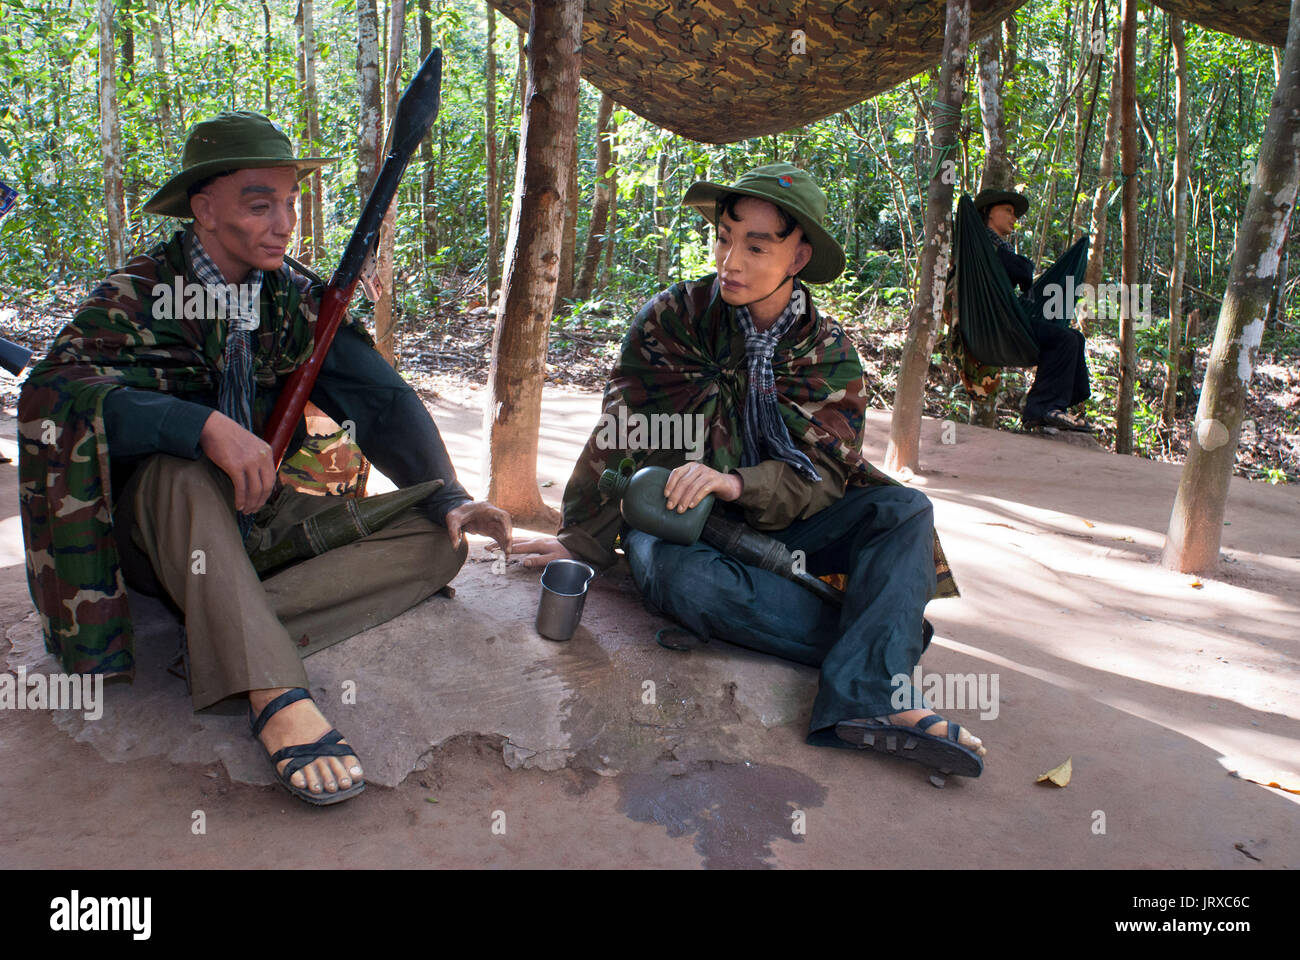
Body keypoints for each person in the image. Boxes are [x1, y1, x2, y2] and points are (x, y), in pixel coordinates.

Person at [18, 112, 511, 806]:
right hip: (161, 533)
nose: (284, 223)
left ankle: (226, 626)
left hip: (258, 517)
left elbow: (380, 398)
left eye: (289, 203)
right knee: (180, 470)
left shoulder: (289, 297)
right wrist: (198, 425)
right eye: (260, 205)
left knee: (440, 543)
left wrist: (449, 495)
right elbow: (51, 397)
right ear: (205, 208)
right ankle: (273, 691)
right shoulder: (139, 294)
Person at [516, 163, 986, 778]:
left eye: (756, 246)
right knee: (677, 580)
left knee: (904, 512)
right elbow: (623, 429)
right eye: (724, 238)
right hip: (687, 527)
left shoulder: (831, 355)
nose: (730, 260)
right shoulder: (673, 319)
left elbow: (821, 478)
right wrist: (579, 539)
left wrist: (736, 481)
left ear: (798, 257)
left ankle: (870, 689)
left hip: (789, 525)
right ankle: (878, 653)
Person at [974, 188, 1093, 432]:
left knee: (1075, 338)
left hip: (1011, 320)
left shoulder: (999, 248)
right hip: (997, 325)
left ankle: (1056, 407)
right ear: (988, 212)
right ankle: (1041, 408)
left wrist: (1022, 268)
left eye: (1014, 214)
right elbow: (1021, 270)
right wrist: (1022, 267)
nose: (1013, 218)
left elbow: (1021, 270)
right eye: (1007, 211)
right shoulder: (982, 244)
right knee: (1064, 340)